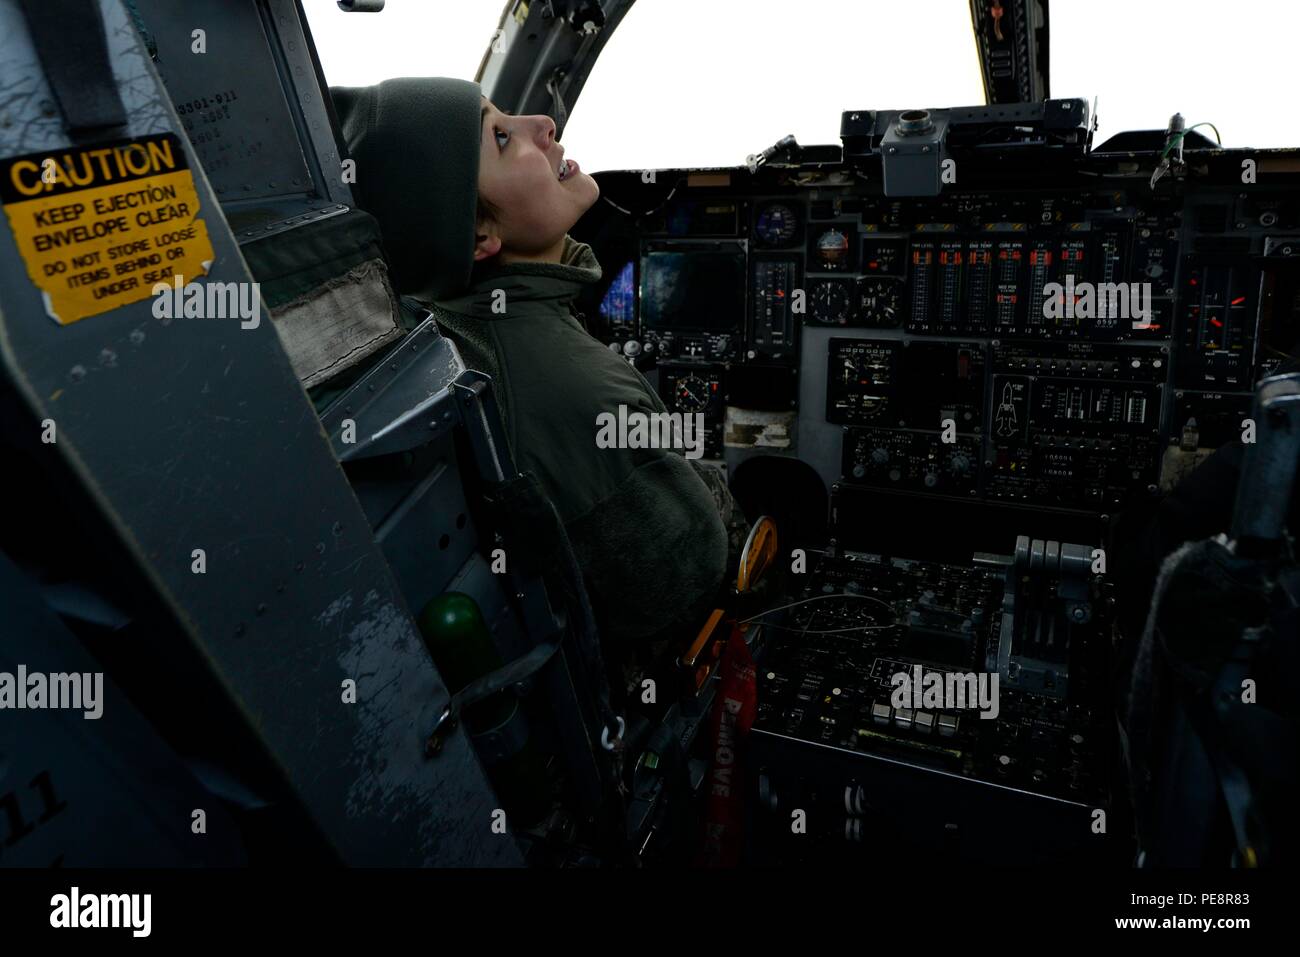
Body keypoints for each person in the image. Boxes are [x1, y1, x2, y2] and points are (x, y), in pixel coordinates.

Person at [329, 77, 746, 649]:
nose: (543, 125)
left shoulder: (451, 324)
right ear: (479, 237)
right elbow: (686, 584)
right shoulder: (574, 388)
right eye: (501, 138)